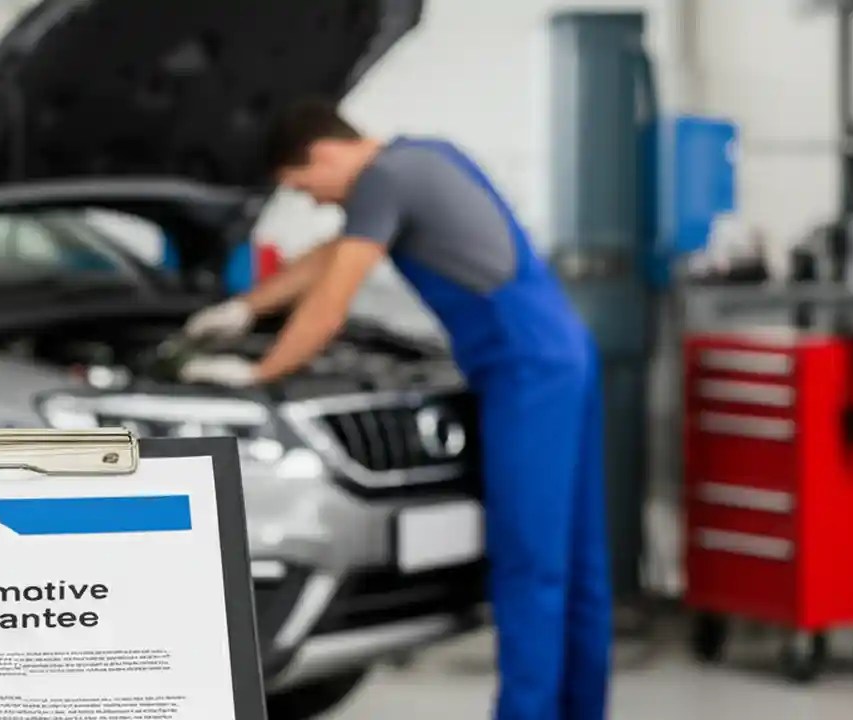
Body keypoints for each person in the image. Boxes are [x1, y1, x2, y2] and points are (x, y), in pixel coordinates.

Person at [177, 99, 611, 720]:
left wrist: (257, 371)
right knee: (578, 562)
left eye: (303, 187)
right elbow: (327, 258)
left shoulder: (384, 179)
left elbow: (331, 301)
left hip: (525, 370)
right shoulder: (424, 157)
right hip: (562, 350)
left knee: (528, 564)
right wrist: (245, 310)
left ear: (326, 154)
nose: (314, 201)